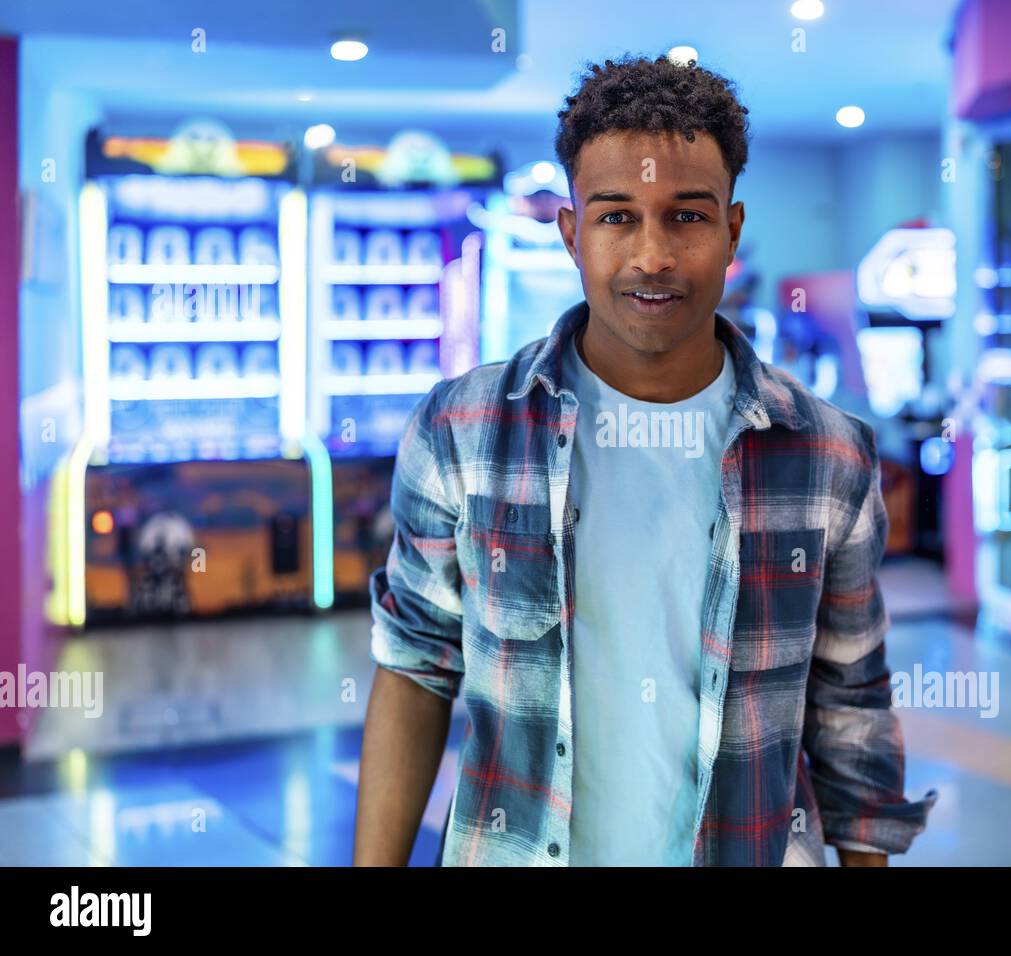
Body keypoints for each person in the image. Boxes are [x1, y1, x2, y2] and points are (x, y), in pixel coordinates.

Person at [354, 54, 936, 867]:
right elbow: (416, 669)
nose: (653, 255)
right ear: (572, 231)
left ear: (732, 230)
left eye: (687, 217)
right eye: (618, 216)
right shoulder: (463, 431)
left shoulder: (827, 454)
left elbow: (850, 702)